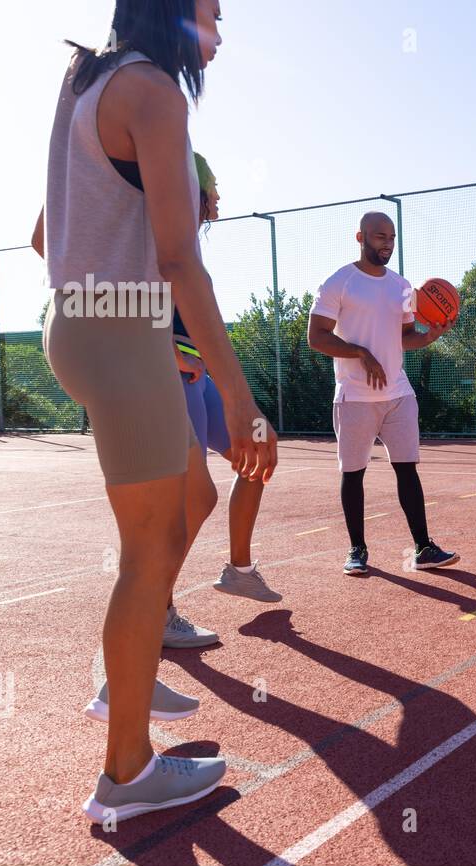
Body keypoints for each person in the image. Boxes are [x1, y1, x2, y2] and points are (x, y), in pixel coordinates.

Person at [34, 0, 277, 823]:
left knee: (183, 511)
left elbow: (45, 233)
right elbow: (180, 260)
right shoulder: (155, 95)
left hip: (77, 322)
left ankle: (127, 675)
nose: (220, 30)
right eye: (211, 13)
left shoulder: (86, 82)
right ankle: (125, 773)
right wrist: (239, 398)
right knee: (147, 549)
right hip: (121, 328)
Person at [307, 212, 458, 576]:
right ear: (360, 237)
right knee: (353, 473)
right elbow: (317, 337)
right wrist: (360, 353)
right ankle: (357, 550)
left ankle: (424, 547)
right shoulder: (339, 283)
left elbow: (404, 337)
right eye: (379, 236)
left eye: (391, 237)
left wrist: (429, 337)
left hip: (398, 394)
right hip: (355, 395)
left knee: (407, 470)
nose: (387, 243)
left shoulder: (403, 287)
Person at [170, 152, 282, 617]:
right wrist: (165, 350)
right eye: (212, 185)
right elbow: (122, 301)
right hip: (169, 378)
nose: (219, 194)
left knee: (256, 450)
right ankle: (157, 605)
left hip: (197, 374)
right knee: (189, 500)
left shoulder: (188, 244)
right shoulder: (158, 239)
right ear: (191, 188)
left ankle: (238, 569)